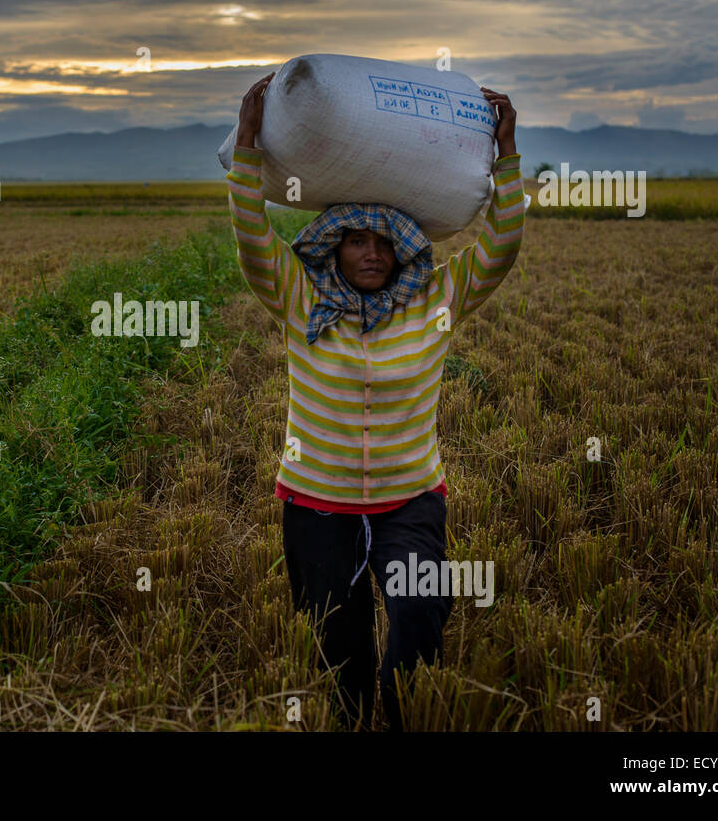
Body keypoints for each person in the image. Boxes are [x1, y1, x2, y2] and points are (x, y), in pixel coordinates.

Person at [225, 71, 526, 731]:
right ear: (334, 245)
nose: (370, 253)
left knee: (421, 613)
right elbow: (252, 239)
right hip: (316, 503)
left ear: (404, 249)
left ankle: (401, 714)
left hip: (410, 497)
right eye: (357, 240)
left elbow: (501, 246)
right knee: (342, 652)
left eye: (384, 241)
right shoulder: (298, 296)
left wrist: (507, 155)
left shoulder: (435, 300)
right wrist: (248, 142)